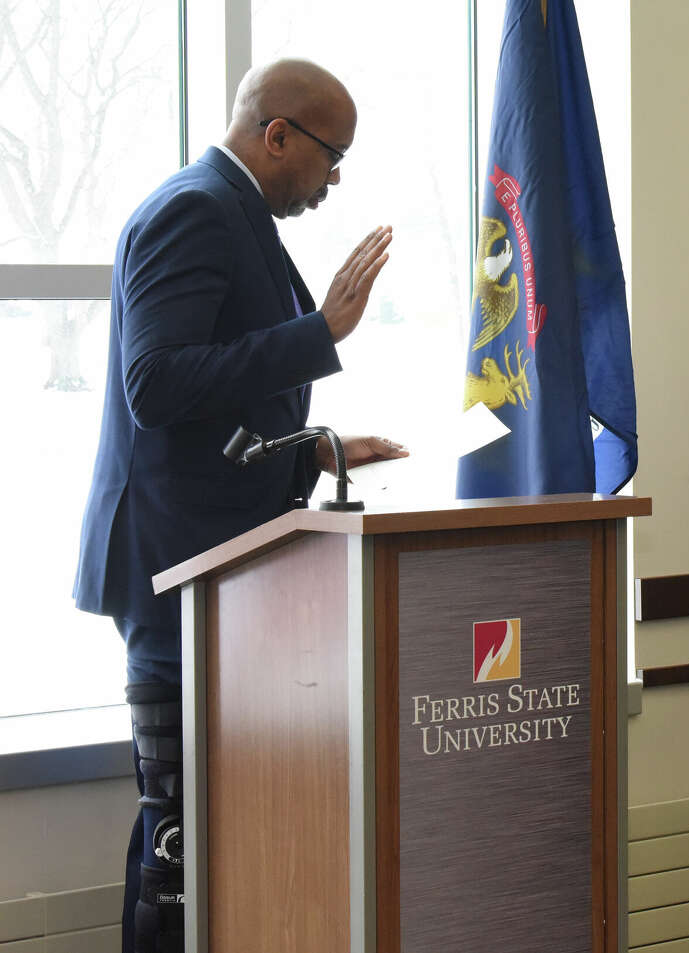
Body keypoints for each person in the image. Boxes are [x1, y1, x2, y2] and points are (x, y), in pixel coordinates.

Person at [73, 58, 407, 953]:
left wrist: (315, 448)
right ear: (278, 135)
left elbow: (213, 408)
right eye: (332, 155)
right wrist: (320, 331)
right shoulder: (196, 209)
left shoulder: (231, 210)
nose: (334, 179)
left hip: (222, 576)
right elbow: (156, 384)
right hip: (179, 576)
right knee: (179, 848)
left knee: (207, 831)